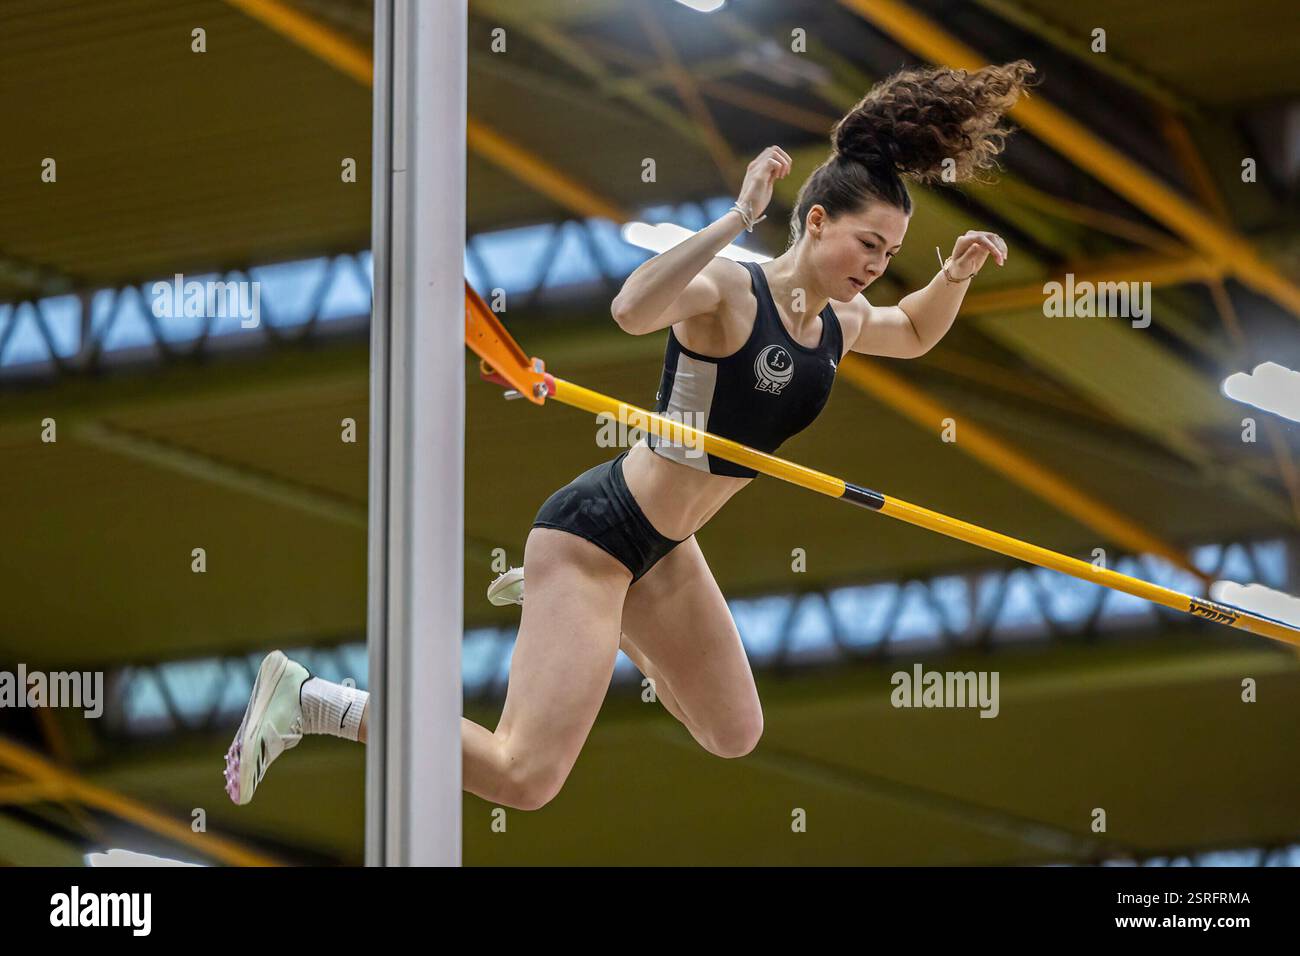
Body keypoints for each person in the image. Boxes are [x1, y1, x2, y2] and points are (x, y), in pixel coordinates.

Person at [225, 60, 1036, 811]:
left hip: (667, 550)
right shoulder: (733, 291)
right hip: (598, 536)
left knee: (733, 730)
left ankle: (578, 612)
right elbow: (631, 308)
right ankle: (318, 701)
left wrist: (954, 274)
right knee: (524, 777)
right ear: (817, 221)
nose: (877, 266)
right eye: (868, 245)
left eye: (890, 253)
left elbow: (913, 331)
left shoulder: (842, 323)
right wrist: (736, 218)